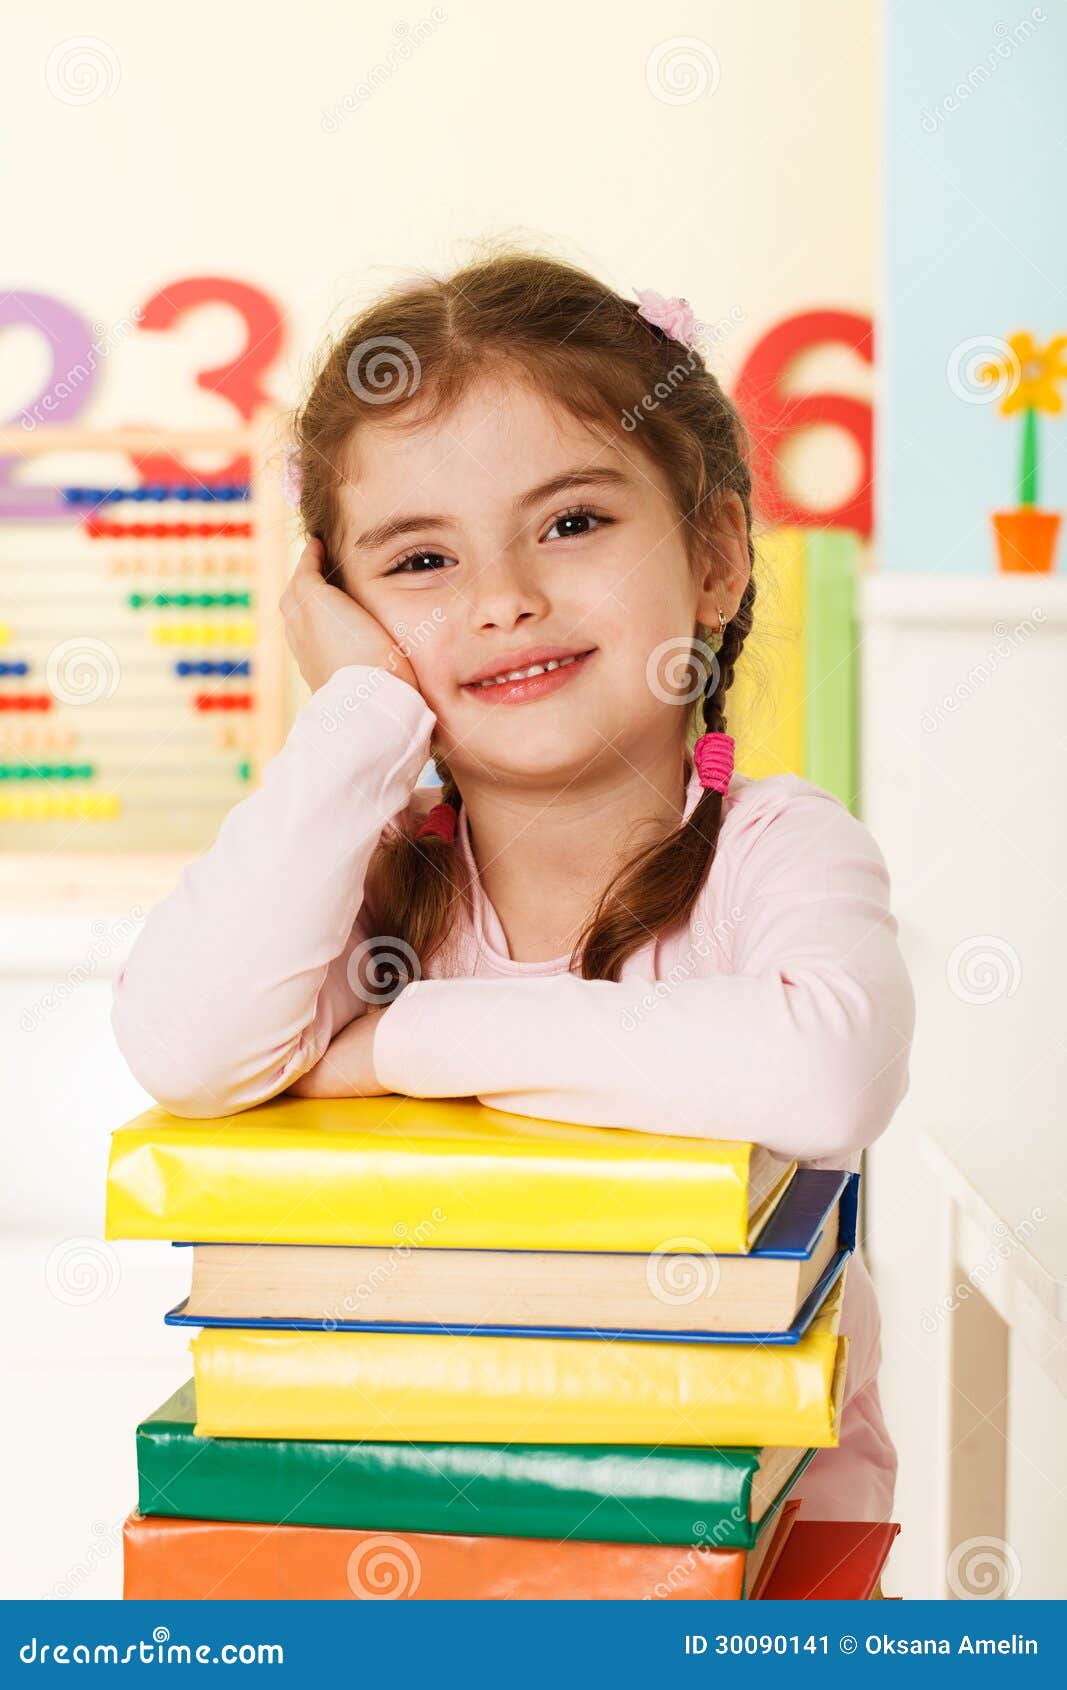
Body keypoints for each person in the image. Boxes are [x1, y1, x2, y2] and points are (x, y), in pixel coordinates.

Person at [111, 247, 915, 1521]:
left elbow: (823, 1075)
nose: (505, 600)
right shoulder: (362, 887)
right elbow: (183, 1045)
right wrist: (360, 712)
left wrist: (408, 1039)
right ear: (342, 611)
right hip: (414, 1525)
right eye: (418, 563)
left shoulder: (778, 848)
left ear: (713, 557)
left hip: (739, 1573)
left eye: (573, 523)